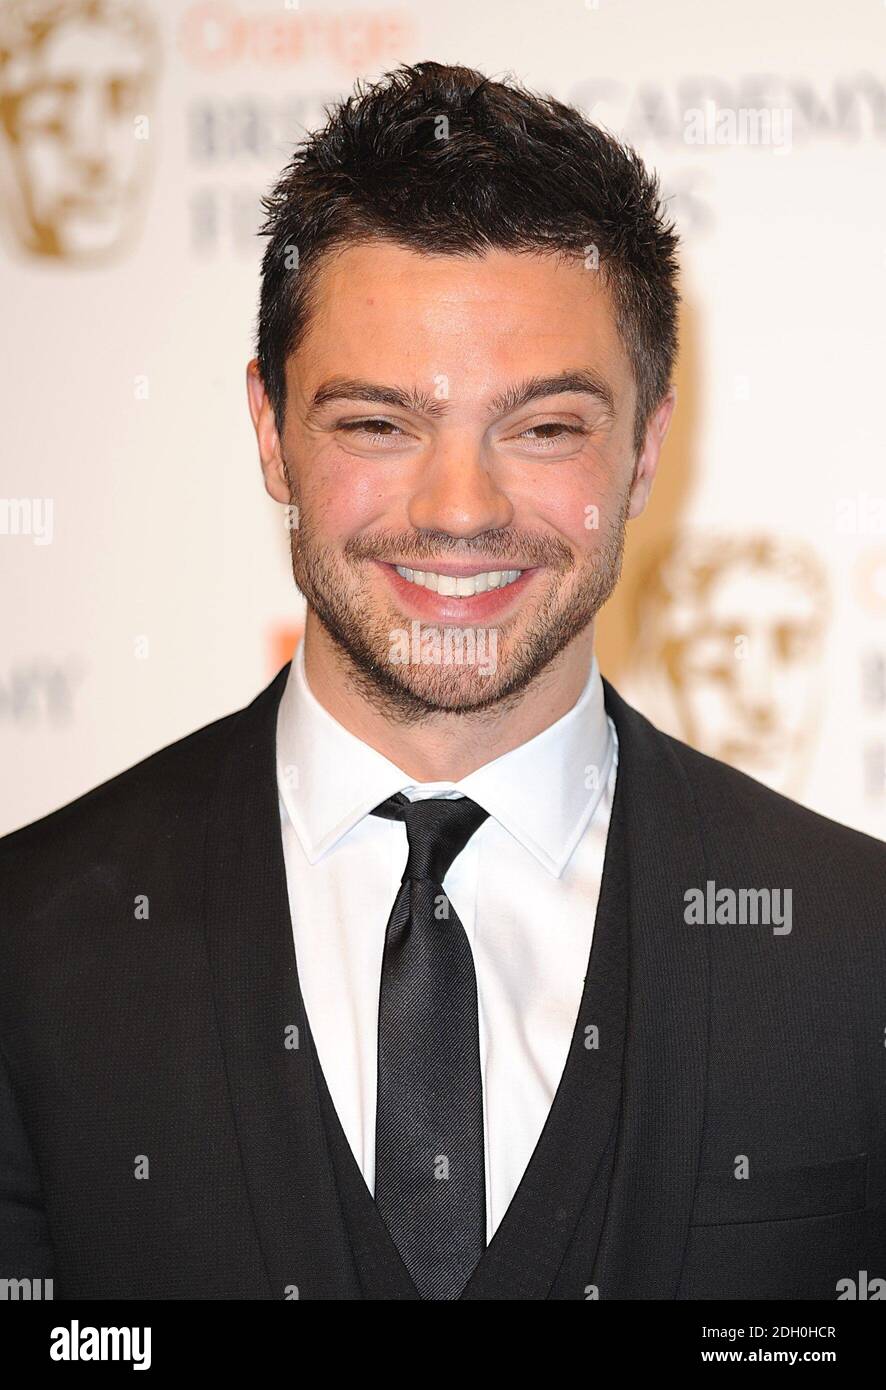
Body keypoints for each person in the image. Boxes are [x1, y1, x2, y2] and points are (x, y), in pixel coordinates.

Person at [1, 61, 884, 1301]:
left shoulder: (854, 944)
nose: (459, 509)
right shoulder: (32, 949)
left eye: (543, 428)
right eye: (376, 424)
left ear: (642, 451)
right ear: (270, 432)